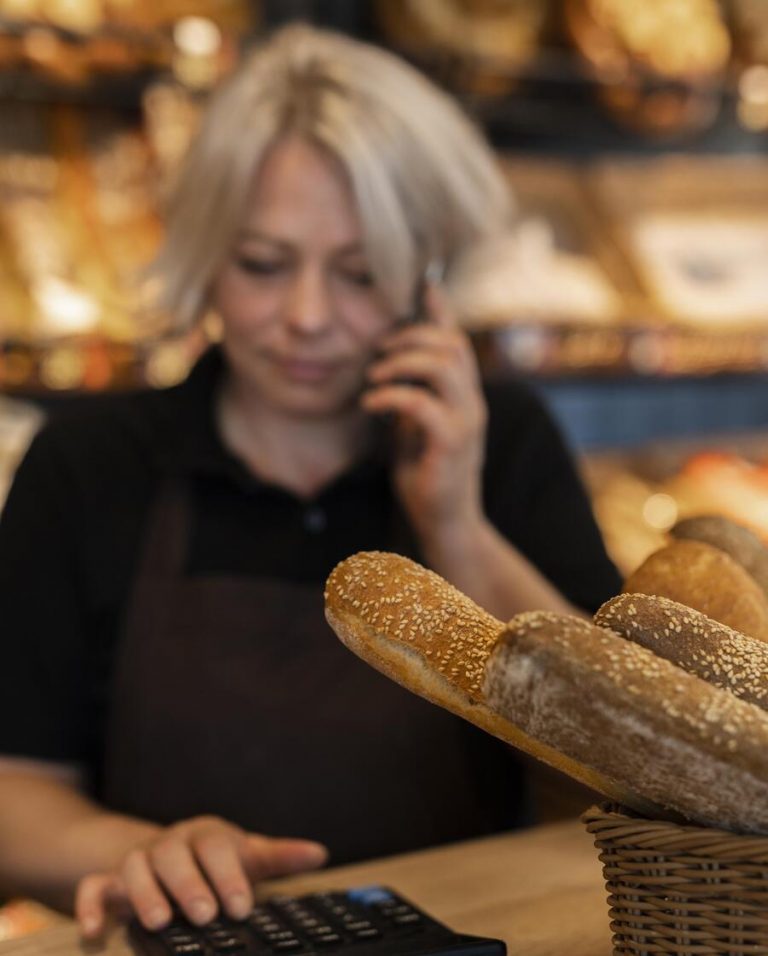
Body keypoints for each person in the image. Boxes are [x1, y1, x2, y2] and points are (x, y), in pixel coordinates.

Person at [0, 22, 621, 943]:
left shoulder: (506, 442)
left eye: (361, 273)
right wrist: (136, 852)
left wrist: (456, 526)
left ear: (430, 280)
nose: (306, 318)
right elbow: (17, 789)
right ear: (206, 254)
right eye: (262, 265)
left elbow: (614, 762)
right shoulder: (91, 464)